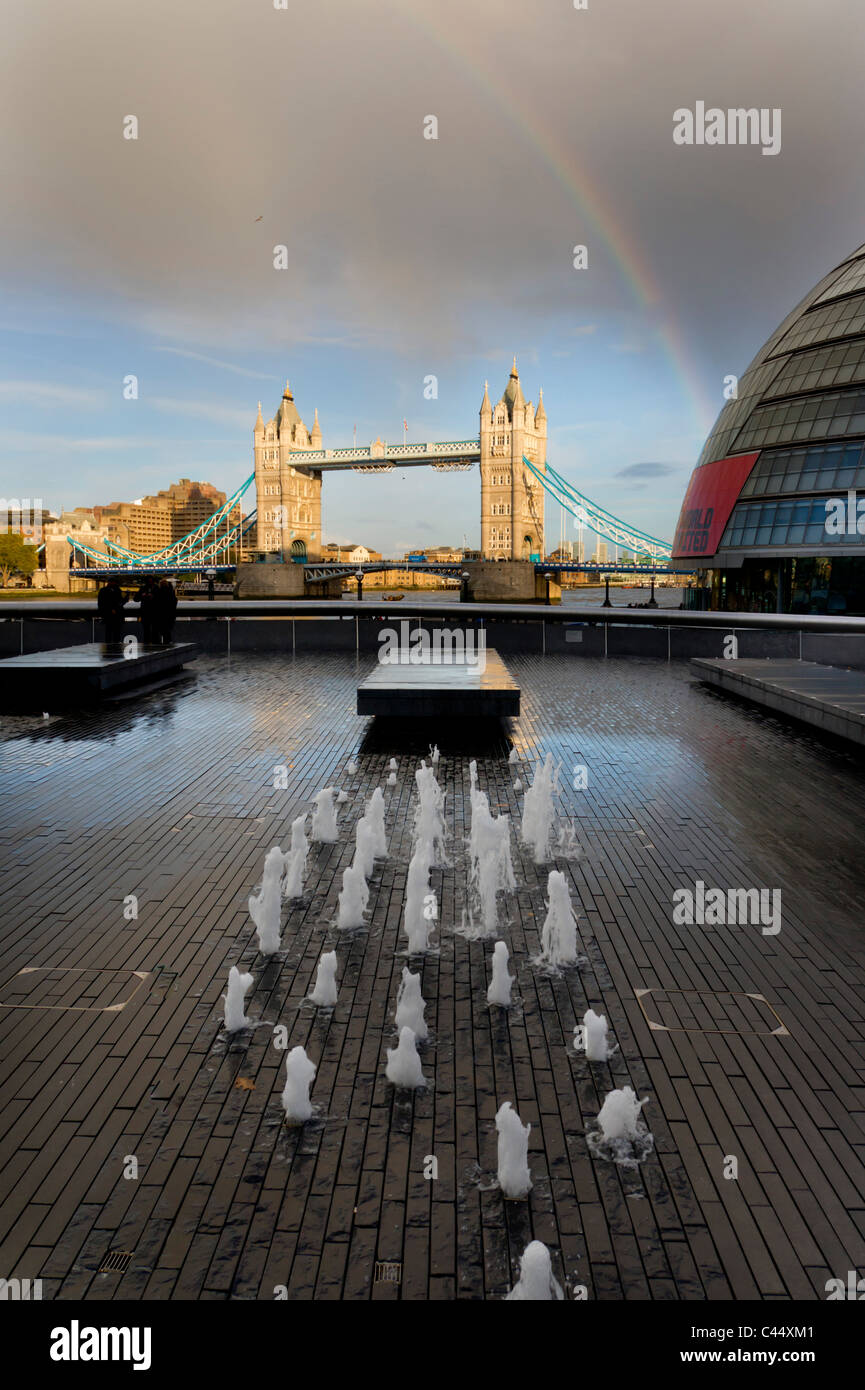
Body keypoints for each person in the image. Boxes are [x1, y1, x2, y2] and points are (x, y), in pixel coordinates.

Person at [97, 579, 126, 643]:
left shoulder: (104, 590)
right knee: (113, 633)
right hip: (113, 615)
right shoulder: (117, 590)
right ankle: (114, 648)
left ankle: (110, 648)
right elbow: (119, 603)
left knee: (110, 633)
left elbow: (101, 604)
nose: (114, 583)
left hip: (110, 615)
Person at [154, 578, 178, 645]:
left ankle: (160, 643)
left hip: (160, 614)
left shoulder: (158, 592)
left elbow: (155, 602)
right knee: (167, 630)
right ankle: (168, 642)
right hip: (170, 614)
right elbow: (175, 601)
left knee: (161, 630)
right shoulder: (170, 592)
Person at [135, 578, 157, 644]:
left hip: (151, 612)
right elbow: (136, 599)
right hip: (148, 612)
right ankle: (150, 643)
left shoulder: (155, 588)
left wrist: (153, 597)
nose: (150, 583)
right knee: (147, 629)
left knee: (152, 630)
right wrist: (142, 596)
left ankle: (151, 643)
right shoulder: (155, 588)